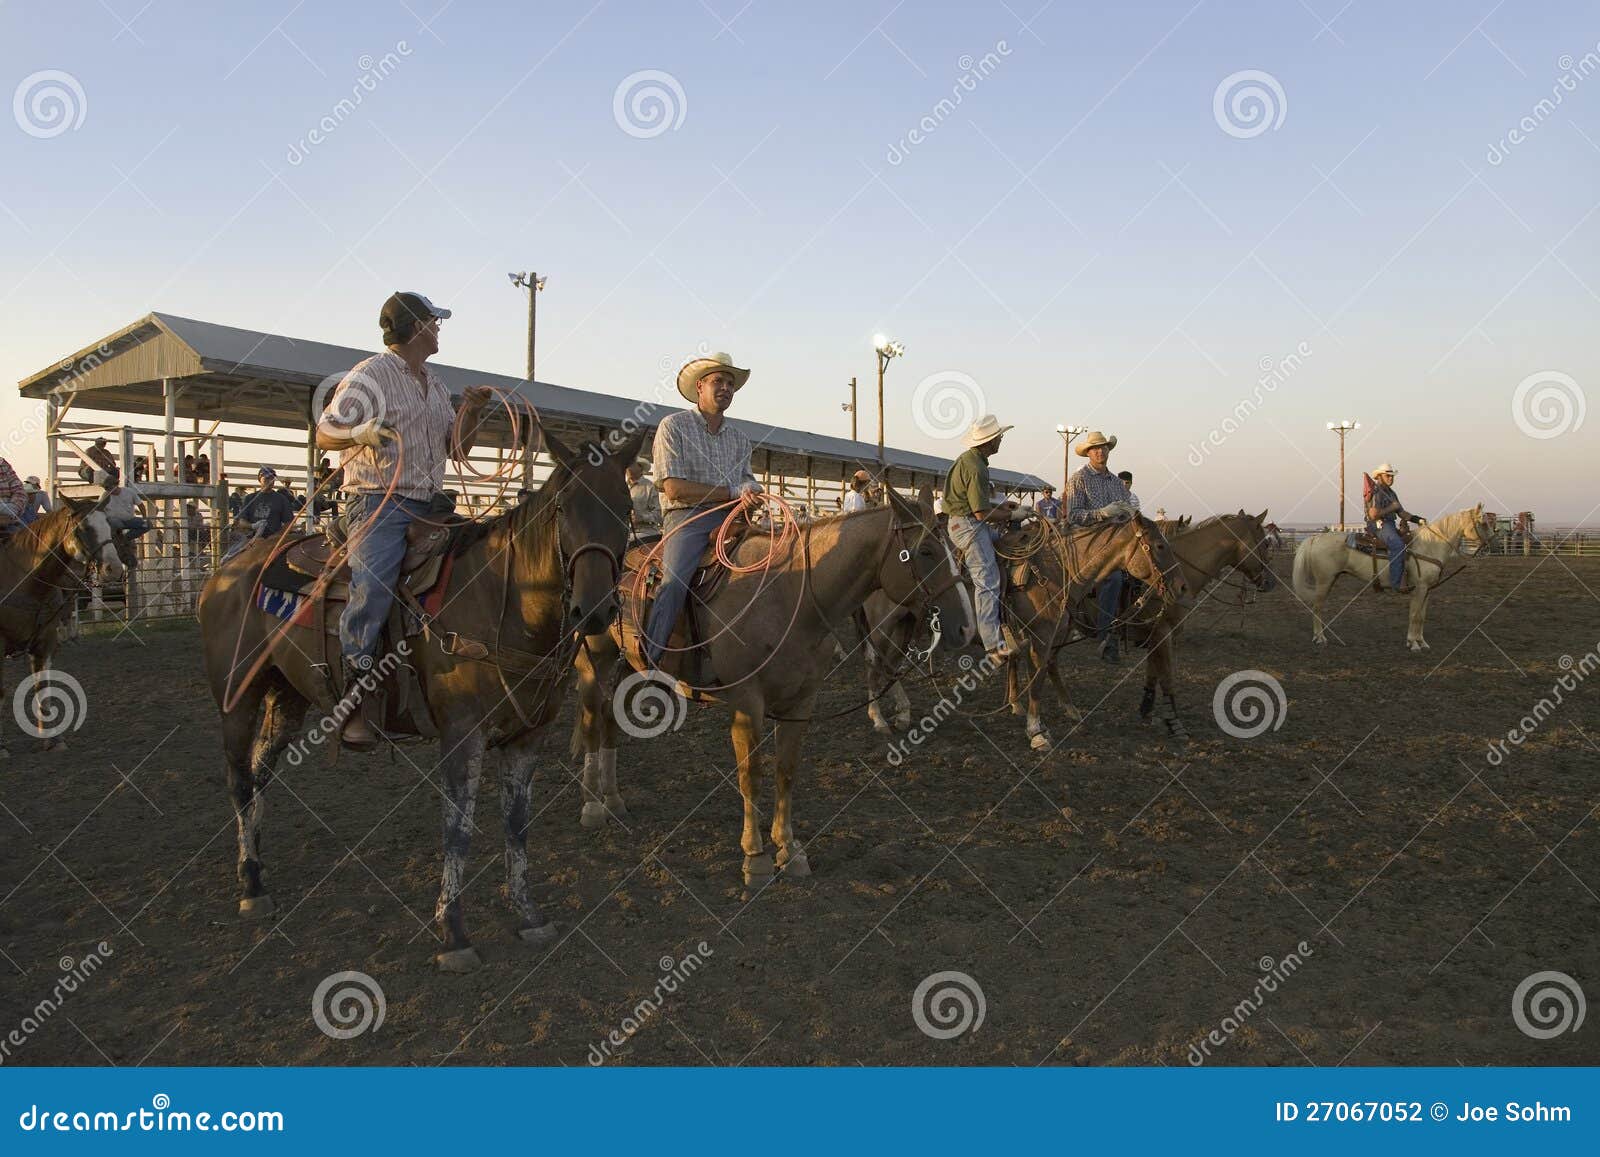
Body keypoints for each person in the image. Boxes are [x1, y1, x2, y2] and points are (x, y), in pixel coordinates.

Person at [315, 291, 492, 747]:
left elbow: (458, 449)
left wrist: (471, 410)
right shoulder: (369, 375)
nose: (439, 329)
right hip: (377, 501)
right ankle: (354, 700)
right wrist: (360, 431)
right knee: (372, 587)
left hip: (431, 502)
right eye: (435, 322)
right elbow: (325, 433)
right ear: (417, 328)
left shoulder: (435, 383)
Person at [642, 351, 763, 667]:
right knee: (674, 583)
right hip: (687, 518)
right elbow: (673, 488)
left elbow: (748, 481)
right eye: (718, 381)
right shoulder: (673, 426)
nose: (725, 388)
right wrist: (732, 492)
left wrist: (751, 491)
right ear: (700, 387)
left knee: (774, 563)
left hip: (734, 518)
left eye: (730, 383)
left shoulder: (739, 438)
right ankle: (648, 661)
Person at [943, 414, 1018, 666]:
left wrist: (1003, 506)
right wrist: (1011, 513)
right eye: (999, 437)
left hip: (963, 521)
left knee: (1009, 542)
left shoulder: (970, 460)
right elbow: (981, 513)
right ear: (990, 441)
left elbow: (979, 504)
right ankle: (993, 645)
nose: (1001, 441)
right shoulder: (977, 468)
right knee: (987, 578)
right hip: (969, 526)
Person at [1066, 430, 1137, 662]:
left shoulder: (1117, 483)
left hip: (1117, 541)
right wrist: (1101, 514)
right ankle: (1104, 633)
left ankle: (1139, 624)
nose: (1100, 451)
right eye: (1095, 448)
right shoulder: (1079, 479)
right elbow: (1073, 516)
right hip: (1088, 541)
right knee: (1113, 578)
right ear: (1088, 453)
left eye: (1103, 447)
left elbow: (1128, 511)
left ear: (1108, 450)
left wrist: (1128, 514)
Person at [1365, 462, 1424, 594]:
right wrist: (1391, 508)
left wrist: (1418, 519)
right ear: (1379, 476)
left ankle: (1406, 575)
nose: (1391, 478)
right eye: (1388, 476)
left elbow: (1402, 513)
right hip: (1379, 525)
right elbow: (1373, 514)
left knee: (1411, 539)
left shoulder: (1392, 493)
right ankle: (1396, 583)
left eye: (1392, 476)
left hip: (1390, 524)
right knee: (1398, 545)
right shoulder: (1376, 492)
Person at [223, 467, 297, 560]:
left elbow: (289, 523)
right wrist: (253, 526)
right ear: (259, 479)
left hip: (274, 542)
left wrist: (276, 537)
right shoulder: (250, 498)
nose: (269, 481)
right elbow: (242, 521)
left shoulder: (281, 499)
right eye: (266, 478)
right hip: (252, 540)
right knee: (232, 558)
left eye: (272, 478)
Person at [627, 459, 662, 537]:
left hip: (645, 532)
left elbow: (659, 515)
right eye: (627, 464)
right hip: (625, 533)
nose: (628, 467)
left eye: (631, 464)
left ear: (640, 468)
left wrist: (642, 517)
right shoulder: (621, 487)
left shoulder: (650, 487)